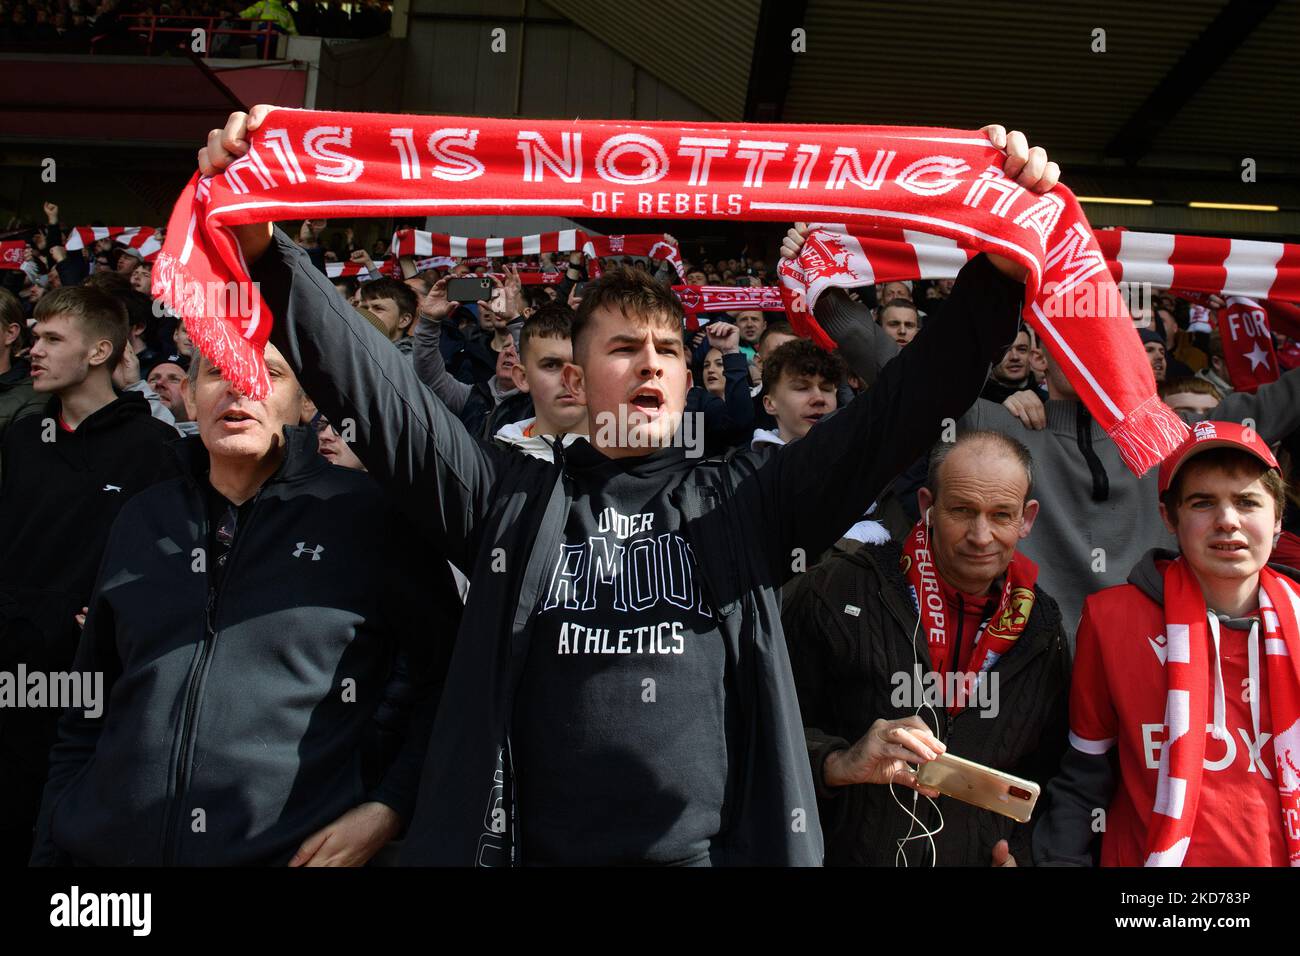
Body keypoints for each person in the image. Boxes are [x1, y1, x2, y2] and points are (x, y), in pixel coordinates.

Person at [200, 108, 1054, 865]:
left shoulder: (747, 500)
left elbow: (894, 418)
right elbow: (381, 397)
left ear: (687, 382)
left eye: (667, 351)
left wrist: (997, 279)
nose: (649, 361)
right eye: (622, 348)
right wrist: (268, 255)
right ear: (574, 379)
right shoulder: (508, 499)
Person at [30, 341, 458, 865]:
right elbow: (87, 701)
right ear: (188, 396)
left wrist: (389, 807)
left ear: (304, 403)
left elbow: (450, 683)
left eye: (269, 374)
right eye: (218, 372)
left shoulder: (374, 516)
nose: (240, 387)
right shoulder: (141, 517)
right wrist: (54, 844)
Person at [783, 431, 1069, 865]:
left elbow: (1055, 776)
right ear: (926, 506)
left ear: (1027, 519)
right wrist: (839, 760)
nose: (980, 535)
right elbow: (760, 729)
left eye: (1001, 515)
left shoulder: (1044, 629)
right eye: (961, 510)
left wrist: (1027, 856)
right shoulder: (838, 589)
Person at [1033, 422, 1299, 866]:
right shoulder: (1110, 619)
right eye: (1202, 502)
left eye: (1247, 501)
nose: (1227, 520)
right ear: (1168, 517)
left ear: (1277, 520)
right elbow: (1083, 778)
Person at [0, 286, 178, 864]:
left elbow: (172, 559)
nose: (34, 349)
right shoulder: (21, 438)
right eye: (34, 336)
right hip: (11, 659)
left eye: (53, 339)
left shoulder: (154, 447)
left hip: (95, 670)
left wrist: (120, 610)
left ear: (101, 351)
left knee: (72, 822)